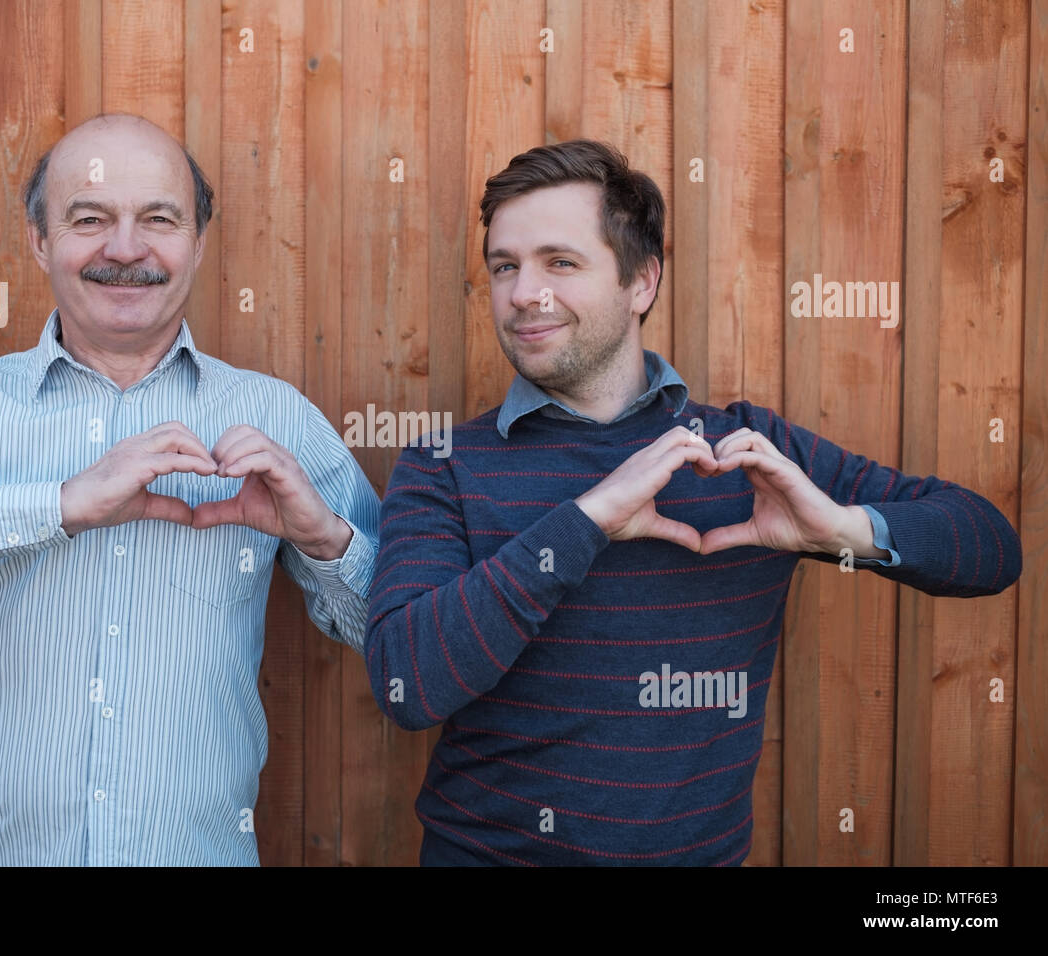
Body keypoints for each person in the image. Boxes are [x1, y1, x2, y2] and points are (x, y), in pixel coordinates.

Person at [363, 139, 1021, 866]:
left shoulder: (750, 451)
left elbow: (989, 545)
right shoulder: (443, 466)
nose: (525, 293)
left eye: (561, 262)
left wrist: (838, 530)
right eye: (504, 267)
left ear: (641, 282)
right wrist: (585, 522)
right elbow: (406, 684)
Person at [0, 113, 379, 866]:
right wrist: (58, 505)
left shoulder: (273, 417)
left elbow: (392, 635)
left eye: (159, 219)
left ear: (197, 241)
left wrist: (324, 540)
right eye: (90, 219)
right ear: (39, 240)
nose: (126, 249)